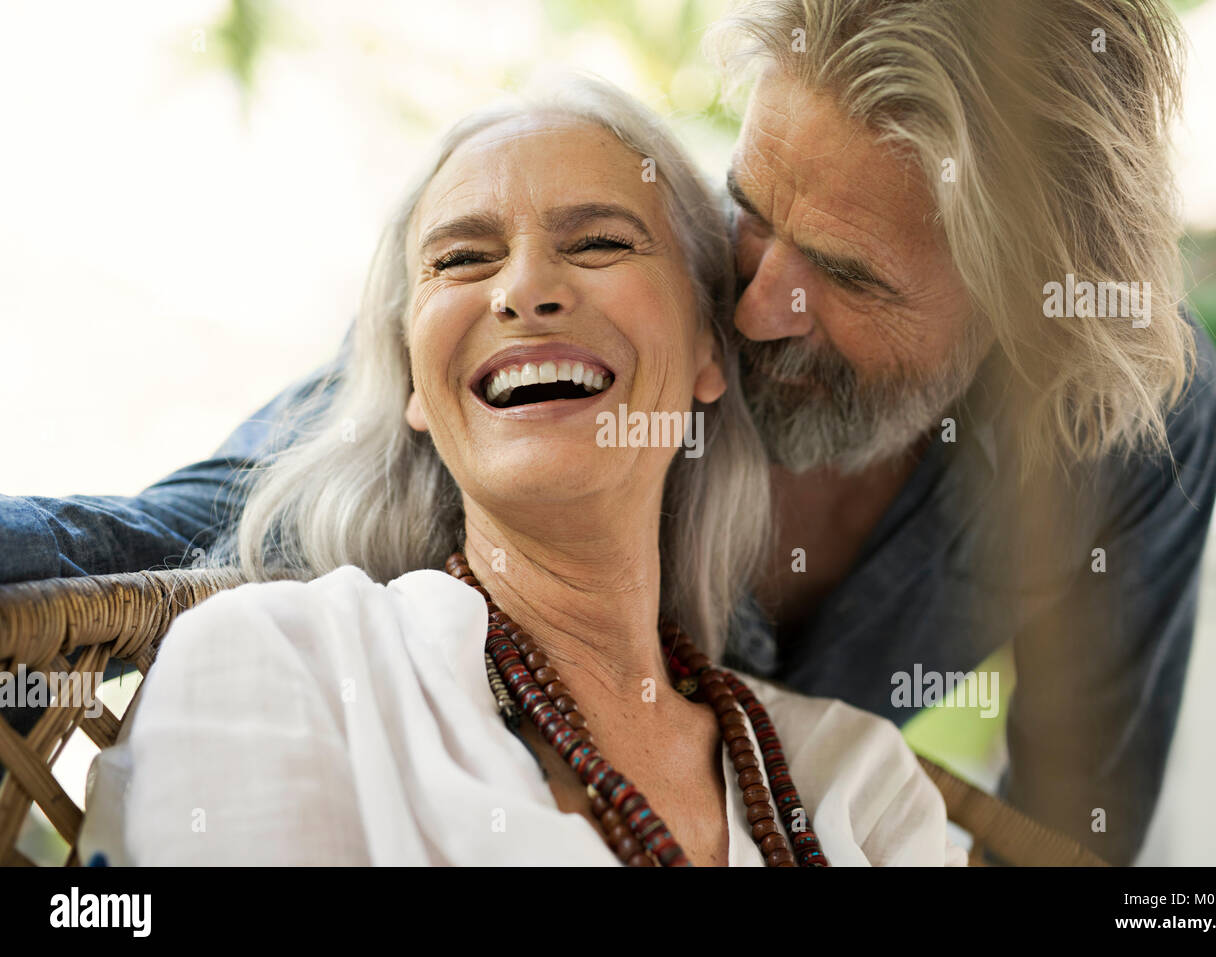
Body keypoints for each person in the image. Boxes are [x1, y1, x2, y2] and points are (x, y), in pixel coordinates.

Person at [4, 0, 1216, 865]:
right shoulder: (635, 278)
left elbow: (1075, 830)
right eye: (753, 208)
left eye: (847, 275)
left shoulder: (1125, 445)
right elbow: (159, 535)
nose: (753, 306)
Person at [75, 76, 966, 867]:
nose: (525, 288)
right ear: (414, 380)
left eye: (600, 244)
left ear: (708, 347)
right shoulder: (282, 657)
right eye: (462, 259)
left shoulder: (861, 781)